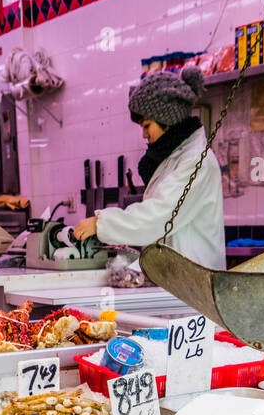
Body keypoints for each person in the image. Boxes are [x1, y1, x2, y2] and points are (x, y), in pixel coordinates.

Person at [73, 66, 225, 270]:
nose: (144, 135)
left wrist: (101, 224)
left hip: (194, 286)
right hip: (177, 281)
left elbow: (159, 216)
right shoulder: (173, 159)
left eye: (146, 126)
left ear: (168, 121)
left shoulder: (196, 161)